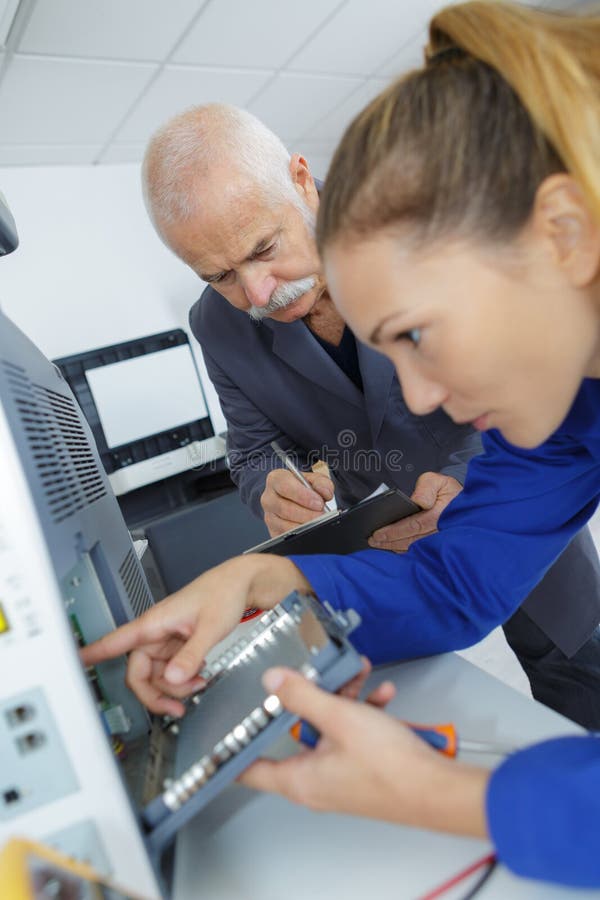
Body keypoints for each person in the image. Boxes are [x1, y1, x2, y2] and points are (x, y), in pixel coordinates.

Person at [81, 0, 600, 883]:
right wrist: (262, 575)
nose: (426, 396)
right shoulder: (560, 424)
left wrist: (442, 797)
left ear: (565, 235)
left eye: (418, 334)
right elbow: (460, 582)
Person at [139, 102, 600, 726]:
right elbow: (253, 451)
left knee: (579, 681)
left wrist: (478, 485)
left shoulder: (423, 224)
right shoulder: (216, 324)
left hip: (518, 509)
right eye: (220, 276)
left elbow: (540, 393)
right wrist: (269, 510)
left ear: (301, 179)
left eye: (265, 248)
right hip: (388, 553)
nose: (257, 295)